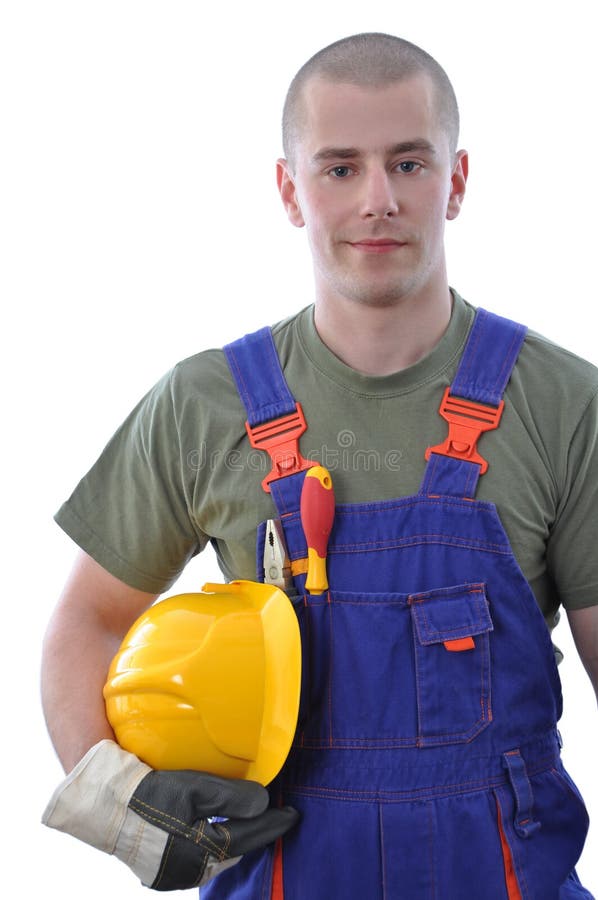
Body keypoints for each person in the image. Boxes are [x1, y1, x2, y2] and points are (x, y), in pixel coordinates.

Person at [41, 32, 598, 899]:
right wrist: (121, 806)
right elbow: (89, 622)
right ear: (289, 191)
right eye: (340, 168)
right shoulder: (202, 405)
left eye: (409, 163)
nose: (379, 200)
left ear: (456, 181)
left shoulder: (565, 404)